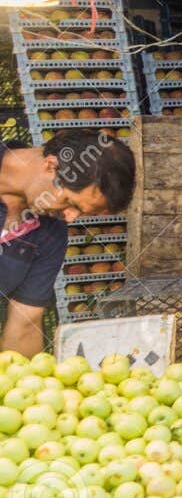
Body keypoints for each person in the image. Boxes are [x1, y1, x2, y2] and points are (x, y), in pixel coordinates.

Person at [0, 129, 137, 355]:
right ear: (51, 166)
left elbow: (25, 324)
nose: (71, 217)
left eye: (81, 213)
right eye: (70, 202)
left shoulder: (50, 233)